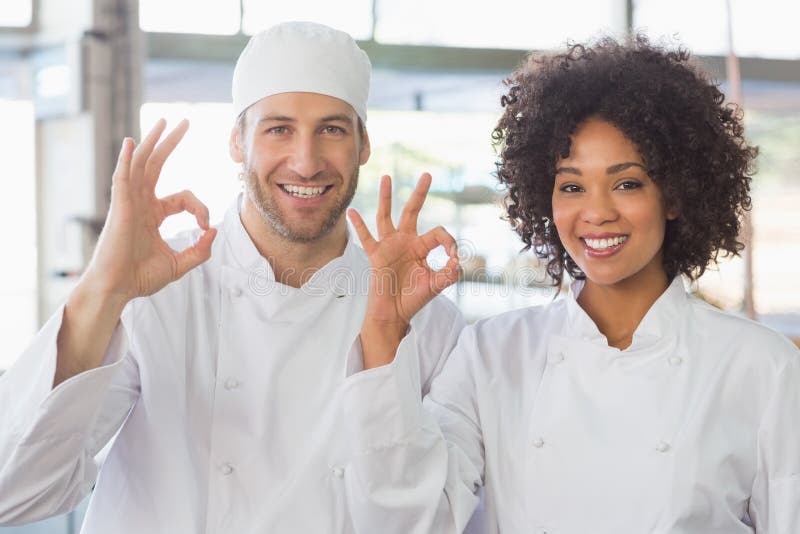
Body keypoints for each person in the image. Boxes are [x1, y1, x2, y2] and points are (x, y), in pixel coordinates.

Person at [0, 22, 464, 532]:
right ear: (237, 143)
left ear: (363, 144)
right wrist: (102, 288)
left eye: (332, 129)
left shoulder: (425, 323)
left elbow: (427, 524)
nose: (306, 162)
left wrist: (383, 344)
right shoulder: (158, 291)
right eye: (278, 129)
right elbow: (15, 491)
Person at [343, 36, 800, 533]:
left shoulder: (760, 366)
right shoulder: (492, 355)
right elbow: (407, 517)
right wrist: (383, 325)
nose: (597, 212)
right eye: (572, 186)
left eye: (627, 183)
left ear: (673, 196)